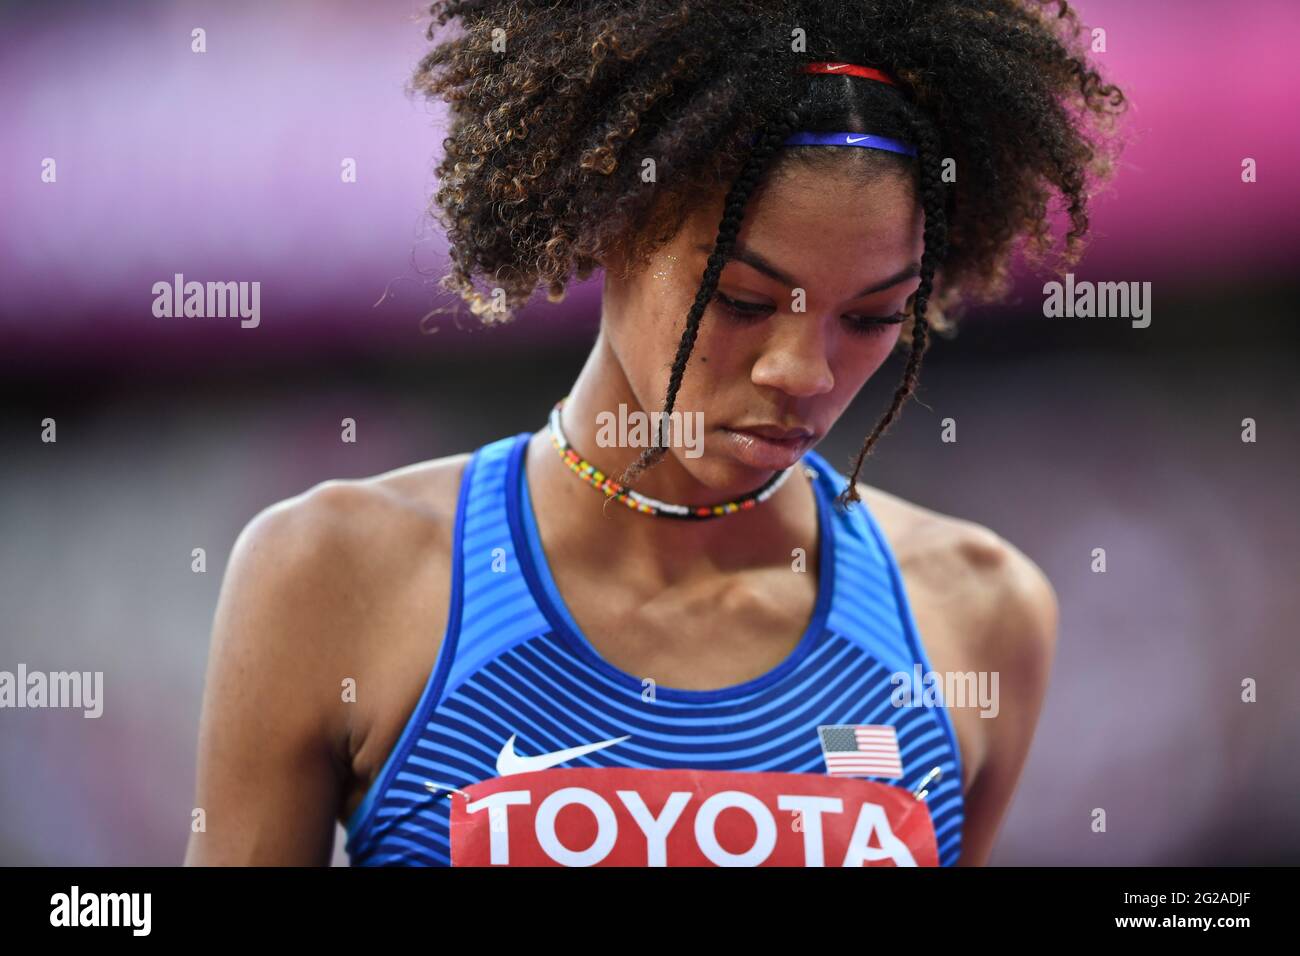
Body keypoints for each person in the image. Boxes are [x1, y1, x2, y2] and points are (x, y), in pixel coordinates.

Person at [184, 0, 1125, 866]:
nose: (803, 371)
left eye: (874, 317)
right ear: (608, 224)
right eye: (743, 300)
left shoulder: (979, 615)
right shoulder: (333, 576)